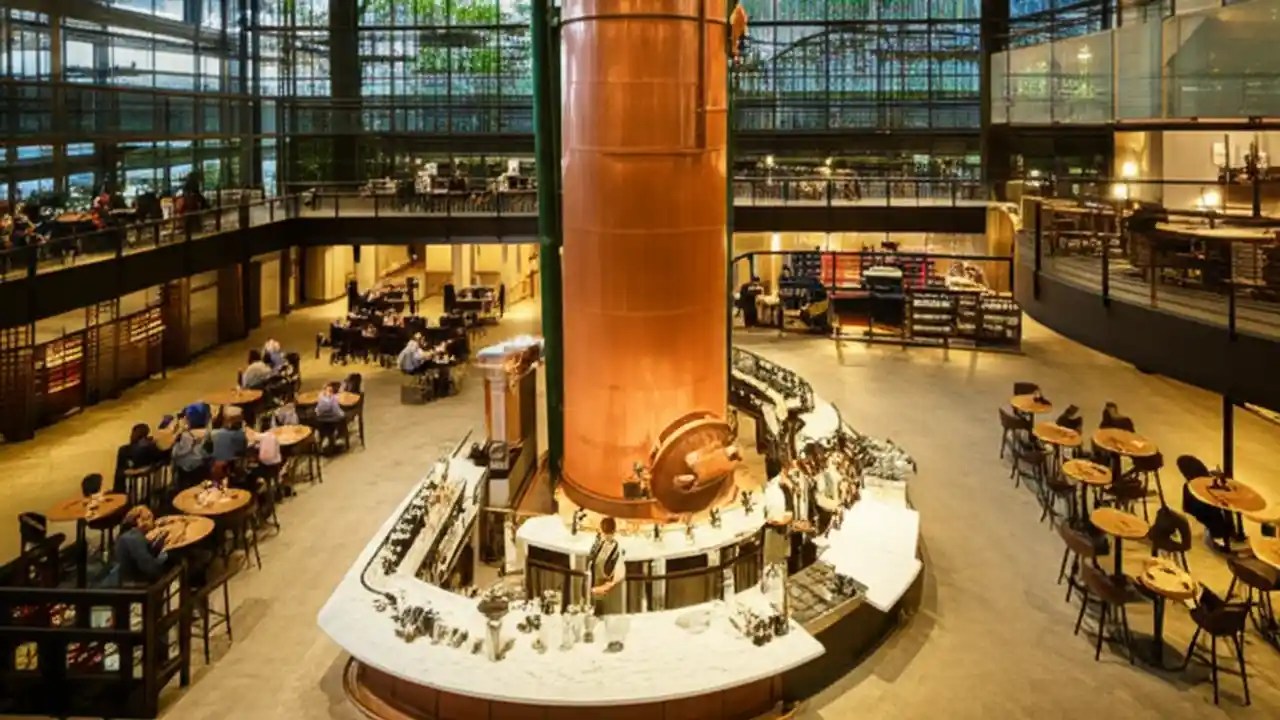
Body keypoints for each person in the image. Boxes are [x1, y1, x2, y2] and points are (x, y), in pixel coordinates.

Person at [587, 517, 627, 653]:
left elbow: (616, 570)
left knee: (610, 615)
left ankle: (614, 641)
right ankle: (606, 638)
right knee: (601, 612)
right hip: (599, 581)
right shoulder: (600, 542)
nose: (607, 535)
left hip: (607, 583)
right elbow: (592, 557)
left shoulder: (616, 548)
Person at [109, 506, 169, 586]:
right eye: (149, 517)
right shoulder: (134, 538)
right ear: (139, 520)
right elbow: (149, 567)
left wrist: (158, 547)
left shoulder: (130, 536)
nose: (153, 521)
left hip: (131, 582)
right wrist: (164, 553)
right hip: (136, 586)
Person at [762, 470, 794, 617]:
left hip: (776, 536)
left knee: (776, 575)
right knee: (775, 575)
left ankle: (780, 611)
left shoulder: (776, 491)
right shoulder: (772, 490)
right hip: (774, 537)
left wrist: (776, 521)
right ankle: (779, 610)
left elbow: (786, 515)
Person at [114, 423, 161, 493]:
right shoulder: (124, 450)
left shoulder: (150, 449)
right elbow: (120, 472)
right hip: (129, 486)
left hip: (139, 486)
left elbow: (158, 463)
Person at [171, 424, 209, 490]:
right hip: (200, 466)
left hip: (184, 468)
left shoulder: (185, 435)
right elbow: (208, 453)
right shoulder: (208, 433)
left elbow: (178, 453)